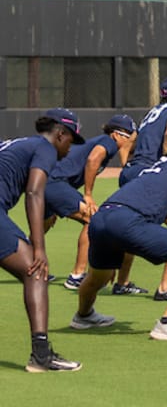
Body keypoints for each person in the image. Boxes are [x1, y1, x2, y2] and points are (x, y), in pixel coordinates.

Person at [69, 139, 167, 340]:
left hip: (102, 218)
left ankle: (83, 316)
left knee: (100, 277)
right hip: (127, 221)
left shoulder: (155, 170)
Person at [0, 109, 86, 372]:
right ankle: (41, 355)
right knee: (35, 272)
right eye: (71, 140)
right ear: (60, 134)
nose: (70, 148)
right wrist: (39, 248)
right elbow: (35, 193)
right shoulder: (45, 148)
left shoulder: (17, 143)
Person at [112, 74, 167, 296]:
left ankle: (122, 283)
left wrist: (128, 168)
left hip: (133, 171)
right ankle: (165, 288)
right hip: (148, 173)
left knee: (128, 228)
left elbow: (128, 143)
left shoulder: (152, 112)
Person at [43, 113, 136, 289]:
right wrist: (88, 194)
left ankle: (31, 267)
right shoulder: (108, 142)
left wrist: (57, 202)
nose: (130, 140)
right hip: (55, 182)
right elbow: (93, 160)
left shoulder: (103, 143)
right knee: (93, 220)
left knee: (42, 226)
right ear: (116, 134)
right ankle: (77, 276)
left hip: (49, 182)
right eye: (128, 135)